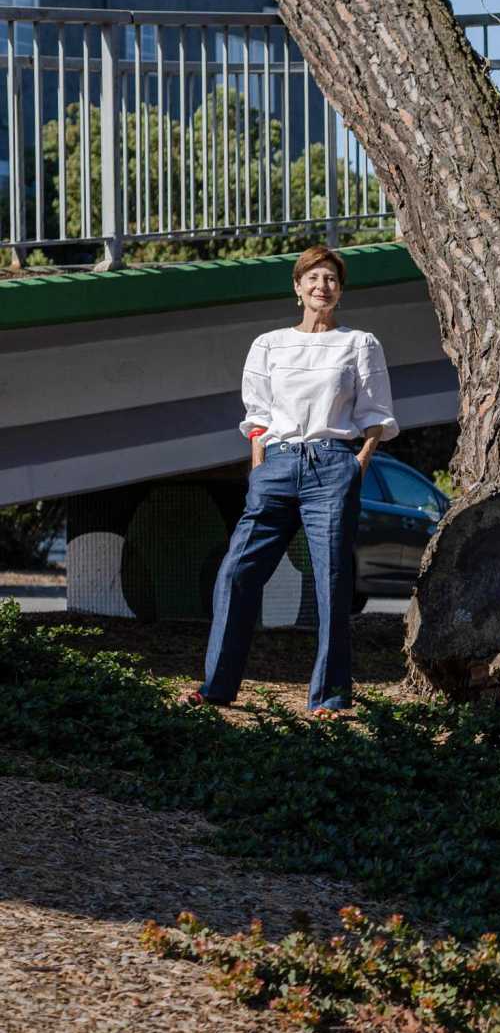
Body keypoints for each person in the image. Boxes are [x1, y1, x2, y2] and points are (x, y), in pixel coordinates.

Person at [181, 245, 399, 717]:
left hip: (332, 464)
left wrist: (358, 461)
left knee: (332, 582)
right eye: (314, 278)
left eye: (332, 280)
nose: (323, 286)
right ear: (297, 287)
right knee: (236, 573)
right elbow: (257, 413)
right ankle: (217, 687)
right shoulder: (269, 344)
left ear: (340, 291)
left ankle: (329, 697)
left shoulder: (359, 343)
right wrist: (259, 463)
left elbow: (376, 416)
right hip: (276, 466)